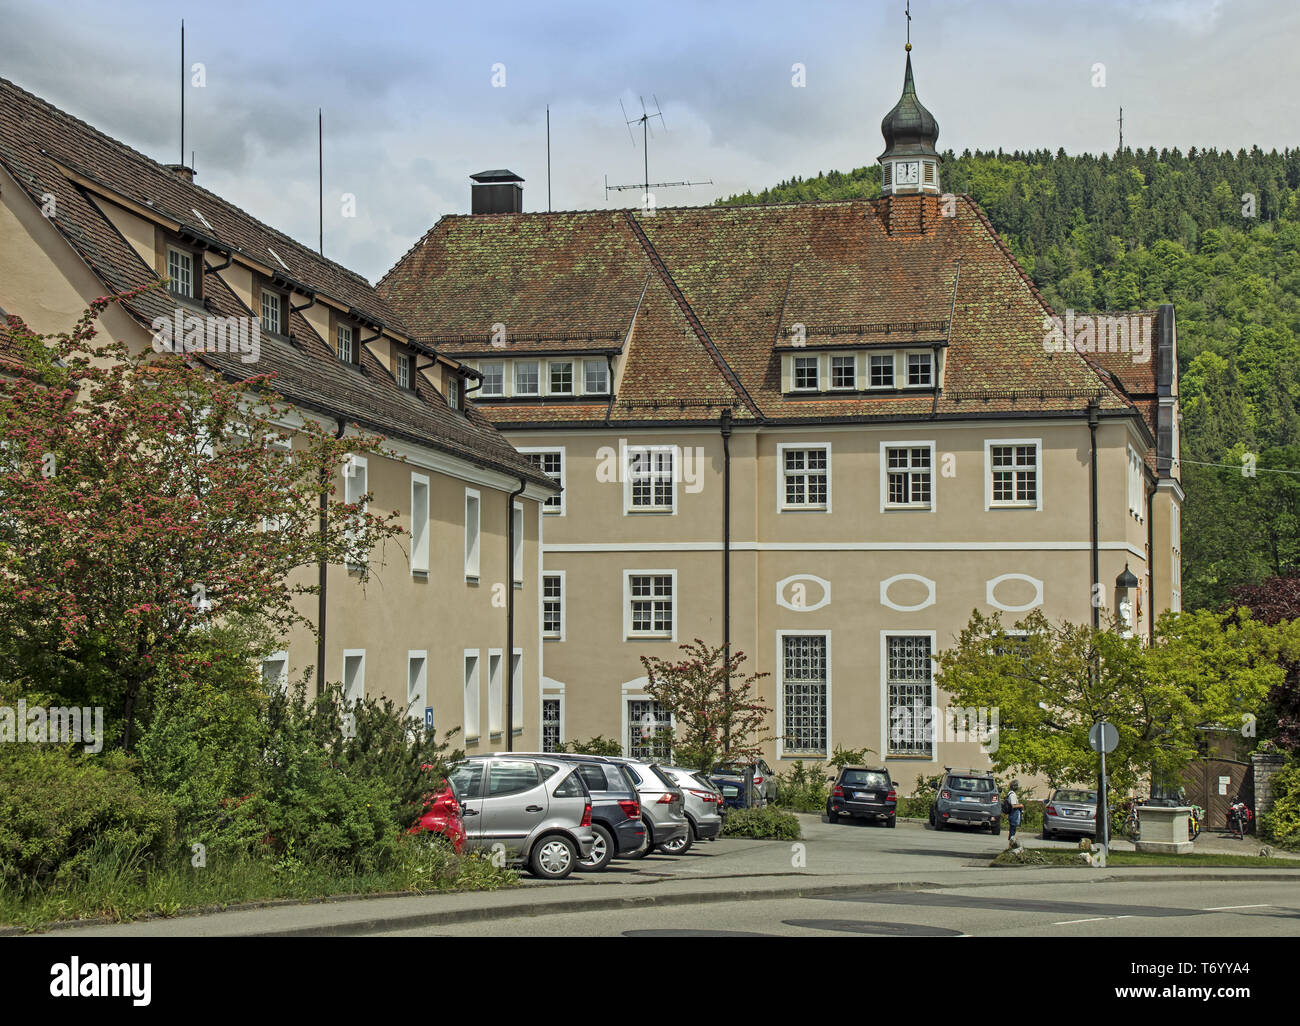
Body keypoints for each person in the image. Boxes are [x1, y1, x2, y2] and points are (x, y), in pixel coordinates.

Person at [1006, 779, 1025, 847]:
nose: (1017, 787)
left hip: (1013, 814)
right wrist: (1021, 805)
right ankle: (1011, 845)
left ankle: (1011, 844)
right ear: (1014, 786)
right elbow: (1013, 805)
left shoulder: (1010, 793)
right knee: (1013, 830)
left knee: (1012, 829)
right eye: (1016, 786)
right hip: (1013, 814)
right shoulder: (1012, 795)